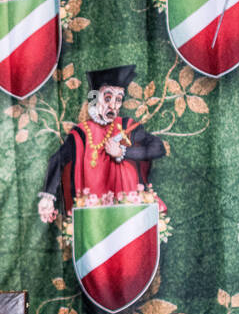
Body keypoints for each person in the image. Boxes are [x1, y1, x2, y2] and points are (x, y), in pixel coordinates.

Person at [37, 65, 164, 221]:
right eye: (108, 98)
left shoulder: (127, 126)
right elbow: (57, 160)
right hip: (94, 219)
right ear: (95, 98)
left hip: (128, 214)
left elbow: (158, 148)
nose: (113, 106)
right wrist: (47, 198)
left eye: (118, 100)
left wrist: (123, 152)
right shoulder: (81, 133)